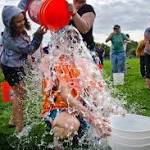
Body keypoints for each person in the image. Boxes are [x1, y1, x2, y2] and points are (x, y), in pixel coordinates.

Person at [40, 27, 111, 144]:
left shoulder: (82, 63)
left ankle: (81, 128)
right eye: (68, 38)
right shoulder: (54, 61)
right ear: (58, 42)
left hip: (77, 108)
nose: (73, 41)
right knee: (71, 125)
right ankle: (58, 142)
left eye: (76, 38)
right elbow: (66, 95)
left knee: (107, 121)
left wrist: (103, 110)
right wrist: (93, 118)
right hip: (58, 108)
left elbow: (93, 92)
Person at [1, 5, 46, 132]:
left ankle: (13, 120)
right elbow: (30, 49)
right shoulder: (13, 40)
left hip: (13, 65)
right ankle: (19, 128)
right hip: (11, 68)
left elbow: (22, 4)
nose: (22, 23)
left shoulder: (12, 26)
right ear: (10, 24)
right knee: (20, 96)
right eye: (18, 22)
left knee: (18, 94)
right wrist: (38, 35)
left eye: (22, 20)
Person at [68, 0, 99, 64]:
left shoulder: (88, 8)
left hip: (85, 51)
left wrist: (74, 13)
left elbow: (84, 29)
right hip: (69, 52)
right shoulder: (66, 9)